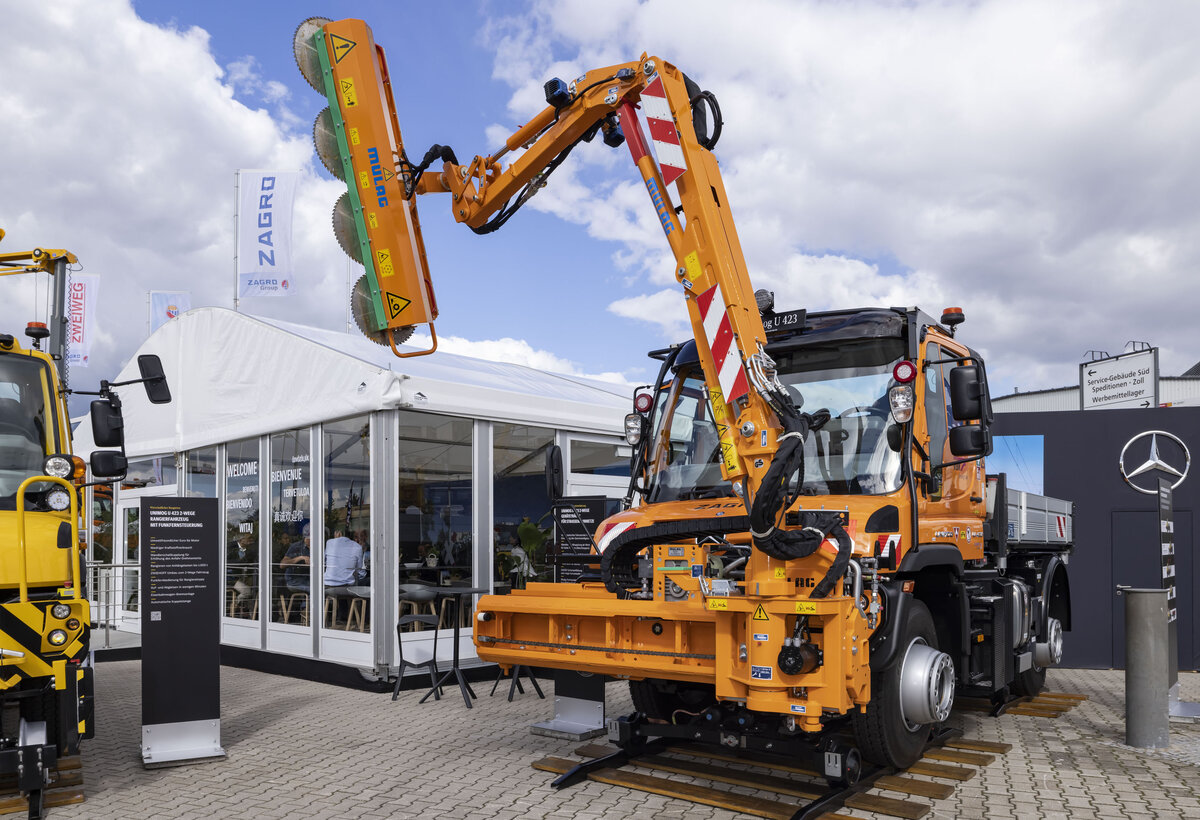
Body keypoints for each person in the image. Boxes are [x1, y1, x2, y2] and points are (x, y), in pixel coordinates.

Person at [281, 524, 311, 593]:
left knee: (323, 589)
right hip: (295, 581)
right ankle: (306, 604)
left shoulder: (318, 547)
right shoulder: (296, 547)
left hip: (309, 580)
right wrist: (300, 558)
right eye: (309, 538)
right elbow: (282, 565)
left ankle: (305, 603)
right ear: (305, 537)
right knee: (316, 590)